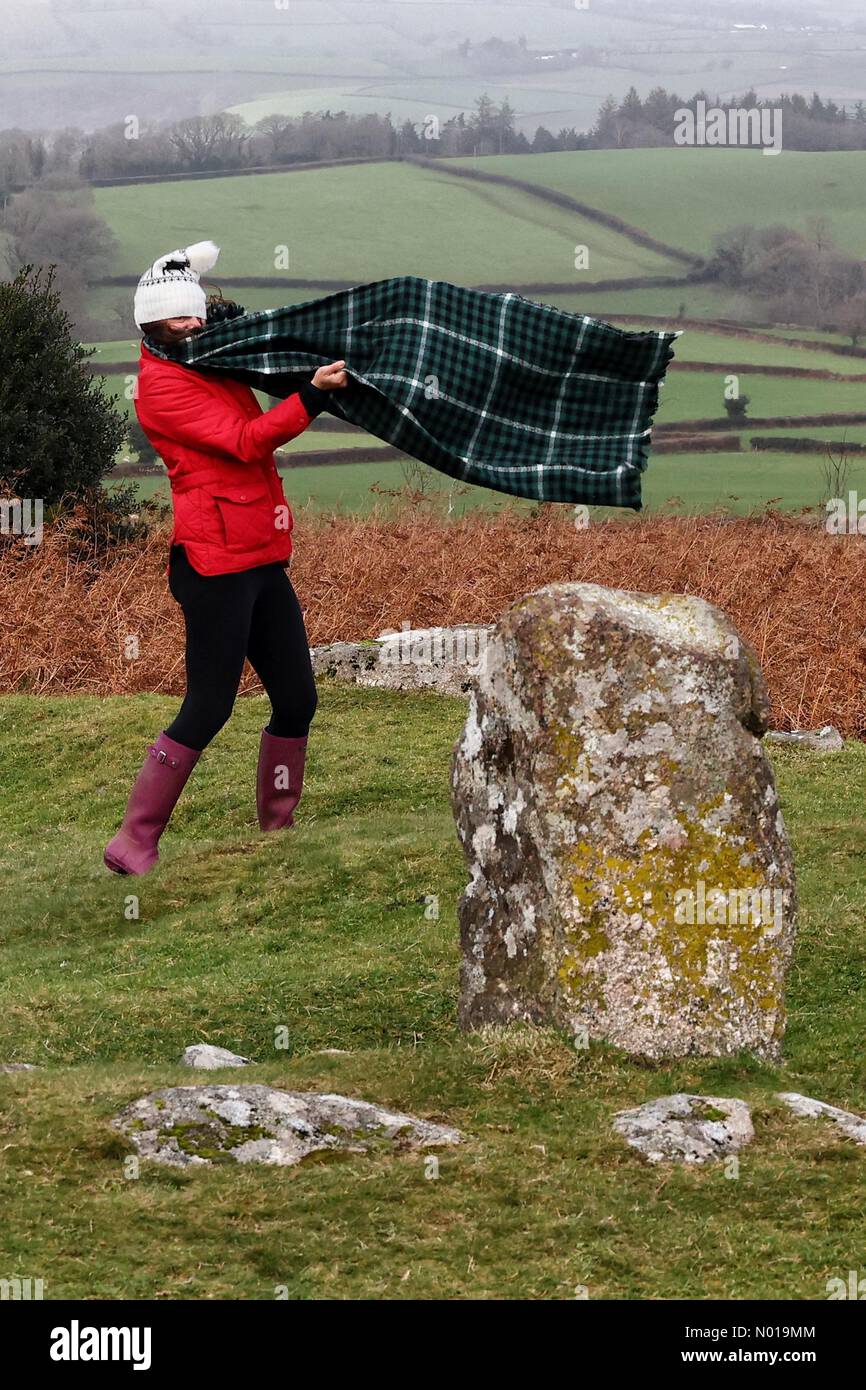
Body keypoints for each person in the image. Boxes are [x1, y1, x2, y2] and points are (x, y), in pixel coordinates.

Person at [103, 240, 348, 876]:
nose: (193, 324)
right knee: (210, 706)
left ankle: (278, 825)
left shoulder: (208, 354)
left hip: (261, 552)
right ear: (150, 324)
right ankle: (135, 840)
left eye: (196, 314)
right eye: (178, 319)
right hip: (213, 564)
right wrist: (313, 398)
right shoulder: (161, 389)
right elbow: (245, 441)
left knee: (297, 698)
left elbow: (256, 354)